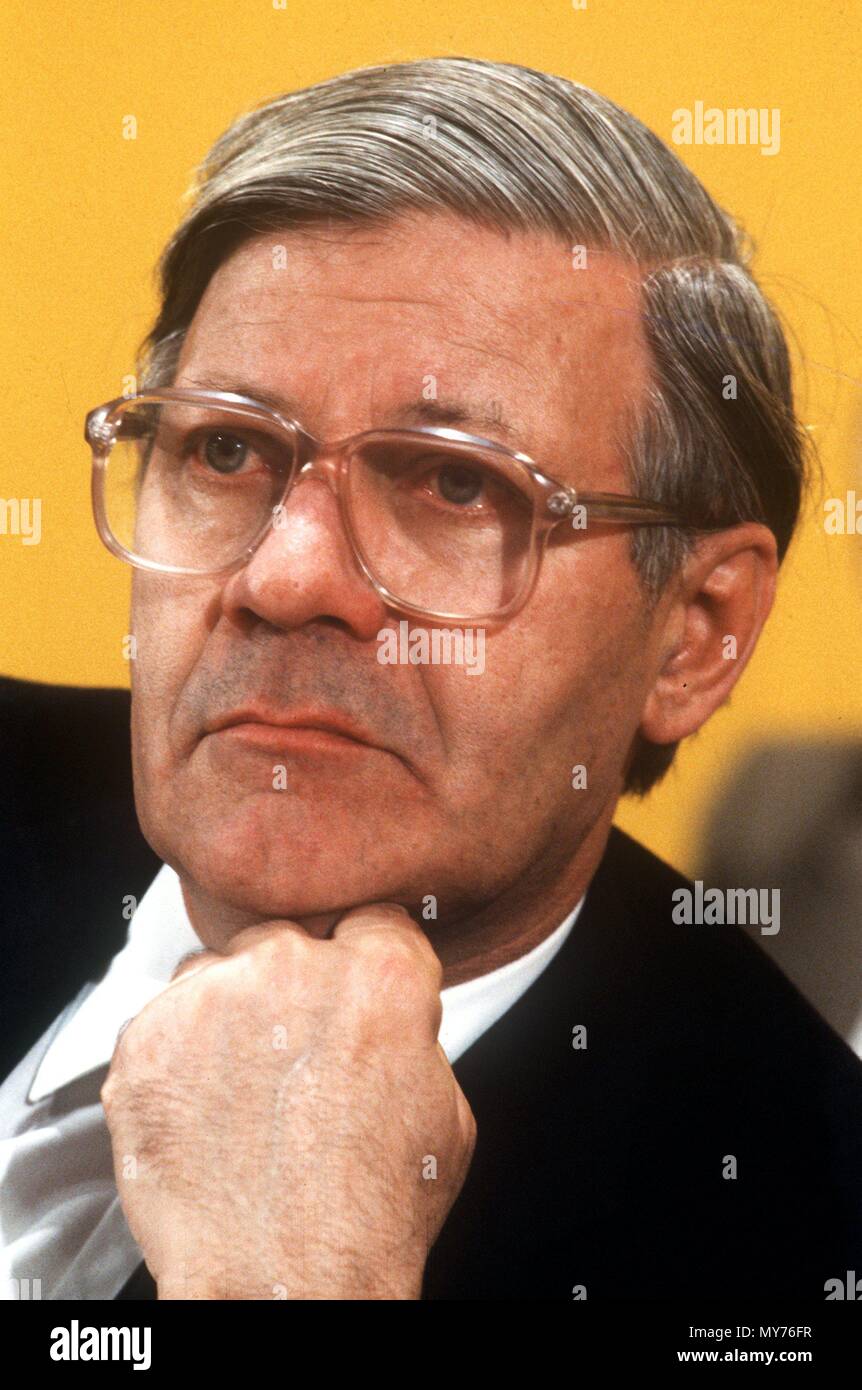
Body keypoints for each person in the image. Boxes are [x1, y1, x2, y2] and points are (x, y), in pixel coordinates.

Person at [2, 55, 860, 1302]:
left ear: (694, 632)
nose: (287, 577)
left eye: (458, 483)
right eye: (227, 448)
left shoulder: (794, 1237)